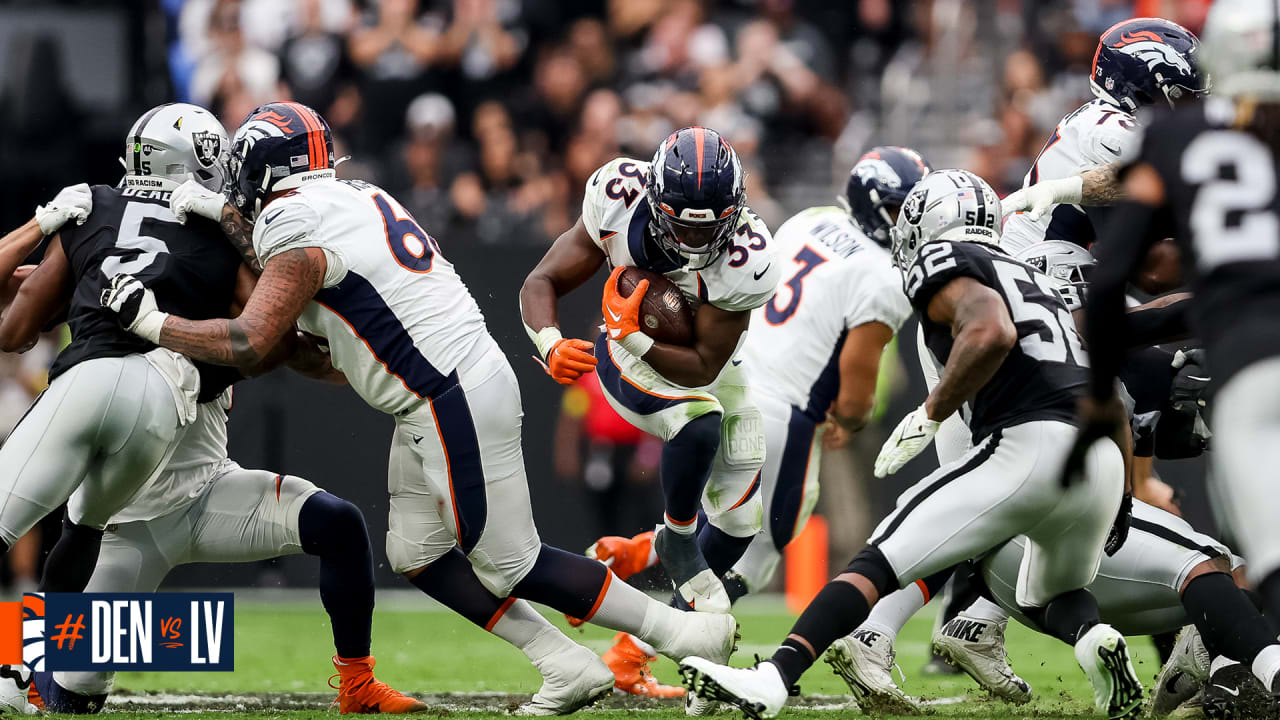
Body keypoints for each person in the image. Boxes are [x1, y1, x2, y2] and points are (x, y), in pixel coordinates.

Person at [100, 101, 737, 717]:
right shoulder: (355, 196)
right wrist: (215, 209)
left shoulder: (292, 222)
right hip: (443, 388)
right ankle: (565, 665)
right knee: (417, 552)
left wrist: (153, 321)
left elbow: (251, 338)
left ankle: (683, 634)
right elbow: (288, 269)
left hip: (444, 393)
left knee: (512, 561)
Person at [680, 169, 1143, 720]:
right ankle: (1096, 644)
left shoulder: (943, 258)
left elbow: (991, 330)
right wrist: (1125, 496)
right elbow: (1109, 400)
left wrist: (930, 412)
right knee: (1048, 595)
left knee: (878, 558)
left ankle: (772, 679)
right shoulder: (1036, 275)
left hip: (1029, 445)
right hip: (1102, 460)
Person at [831, 242, 1280, 719]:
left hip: (1014, 570)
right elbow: (1158, 337)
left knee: (935, 530)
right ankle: (1230, 672)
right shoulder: (1064, 355)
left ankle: (948, 626)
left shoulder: (1005, 332)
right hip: (1056, 543)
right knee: (1227, 571)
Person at [1074, 0, 1280, 702]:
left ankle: (1237, 666)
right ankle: (1224, 660)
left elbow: (1129, 276)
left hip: (1218, 346)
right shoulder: (1118, 128)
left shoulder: (1174, 134)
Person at [519, 126, 779, 616]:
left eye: (707, 228)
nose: (693, 240)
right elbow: (542, 279)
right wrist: (550, 343)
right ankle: (677, 537)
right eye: (682, 224)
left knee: (741, 522)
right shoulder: (617, 197)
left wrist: (638, 331)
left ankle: (649, 643)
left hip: (701, 360)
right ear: (654, 197)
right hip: (625, 354)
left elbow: (704, 365)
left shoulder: (749, 256)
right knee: (697, 420)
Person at [0, 103, 243, 599]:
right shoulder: (228, 235)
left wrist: (43, 226)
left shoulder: (95, 206)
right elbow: (261, 330)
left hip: (90, 379)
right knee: (84, 528)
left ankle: (18, 669)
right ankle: (51, 673)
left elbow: (13, 332)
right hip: (162, 404)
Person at [1001, 17, 1207, 256]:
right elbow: (1157, 173)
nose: (1194, 106)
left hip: (1065, 266)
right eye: (1183, 95)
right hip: (1040, 271)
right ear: (1147, 88)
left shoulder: (1101, 118)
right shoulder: (1105, 127)